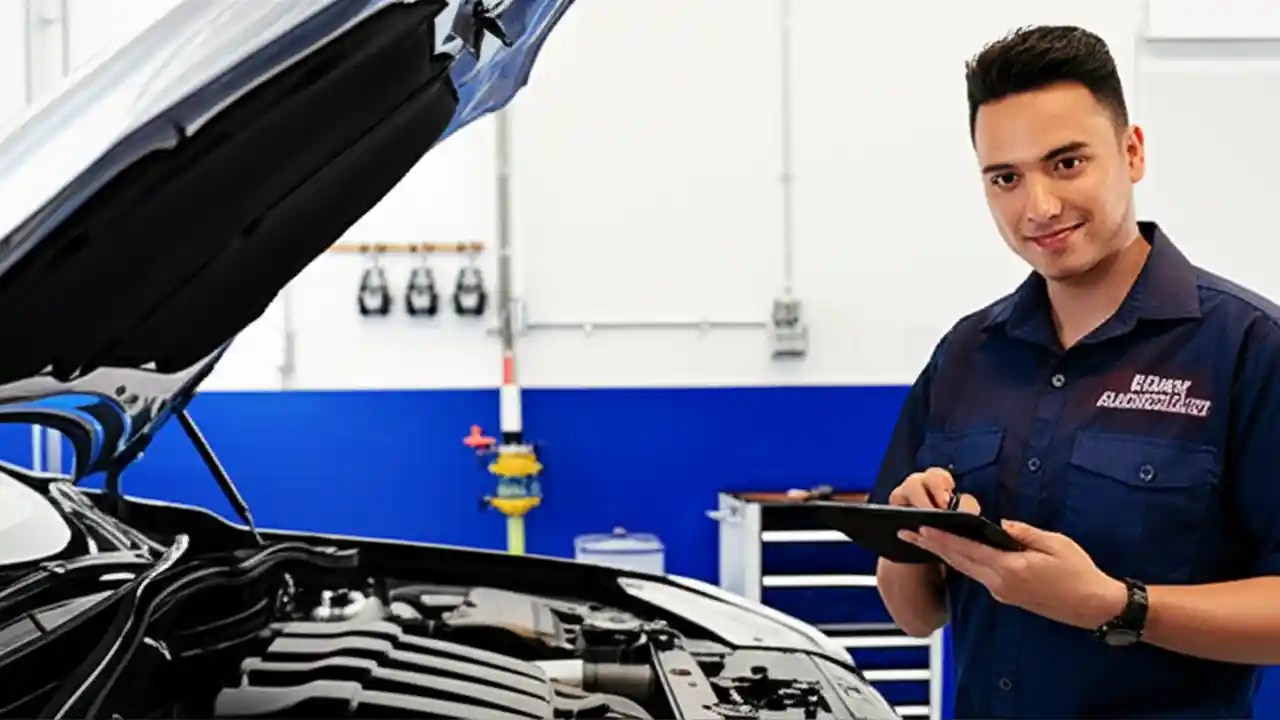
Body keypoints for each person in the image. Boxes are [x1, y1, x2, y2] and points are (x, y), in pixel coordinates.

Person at [868, 24, 1280, 719]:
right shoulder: (965, 354)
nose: (1039, 208)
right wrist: (914, 537)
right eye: (1006, 178)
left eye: (1066, 163)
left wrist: (1116, 605)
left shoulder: (1248, 350)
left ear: (1132, 152)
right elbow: (916, 616)